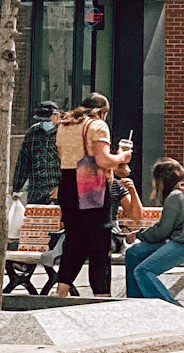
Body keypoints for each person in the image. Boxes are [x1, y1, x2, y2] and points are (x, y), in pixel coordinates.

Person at [52, 93, 129, 298]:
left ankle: (61, 290)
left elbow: (62, 156)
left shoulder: (64, 125)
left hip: (68, 184)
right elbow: (103, 160)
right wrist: (122, 156)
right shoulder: (97, 125)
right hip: (90, 183)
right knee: (99, 241)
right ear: (102, 111)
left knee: (74, 239)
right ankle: (101, 294)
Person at [124, 159, 184, 303]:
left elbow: (162, 231)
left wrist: (138, 234)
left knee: (143, 271)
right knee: (133, 253)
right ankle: (136, 302)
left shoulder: (176, 196)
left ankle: (172, 307)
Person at [11, 100, 62, 206]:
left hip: (59, 194)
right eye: (41, 120)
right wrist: (17, 188)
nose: (44, 123)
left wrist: (63, 188)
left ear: (57, 116)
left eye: (47, 120)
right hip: (36, 194)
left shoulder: (65, 132)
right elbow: (23, 162)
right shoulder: (32, 133)